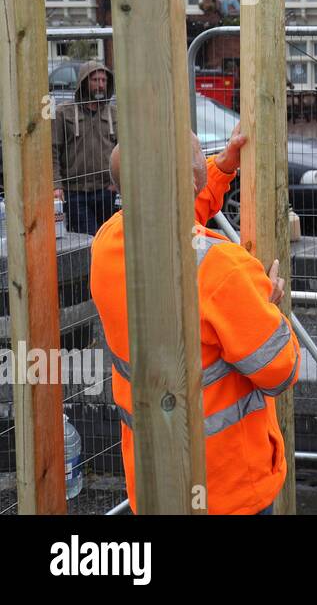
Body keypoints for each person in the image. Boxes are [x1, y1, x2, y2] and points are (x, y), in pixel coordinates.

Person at [89, 126, 299, 514]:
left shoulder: (106, 245)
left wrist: (220, 169)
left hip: (155, 485)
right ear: (188, 180)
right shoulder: (223, 269)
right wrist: (263, 305)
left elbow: (168, 219)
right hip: (231, 489)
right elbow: (280, 369)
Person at [52, 61, 118, 236]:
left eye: (104, 80)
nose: (101, 85)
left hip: (106, 191)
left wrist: (116, 183)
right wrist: (56, 185)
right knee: (87, 241)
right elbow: (53, 151)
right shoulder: (63, 112)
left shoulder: (113, 114)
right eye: (95, 80)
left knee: (107, 239)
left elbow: (124, 151)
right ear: (83, 82)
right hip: (74, 193)